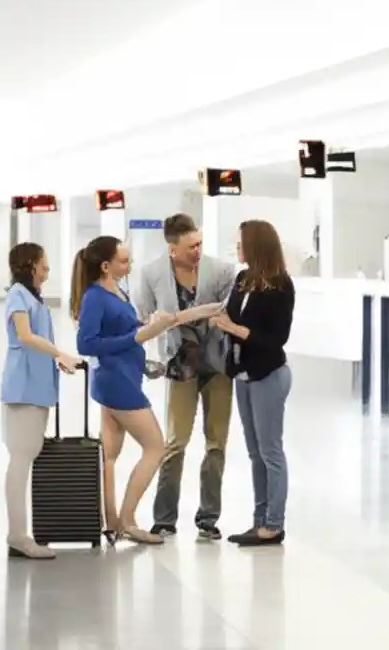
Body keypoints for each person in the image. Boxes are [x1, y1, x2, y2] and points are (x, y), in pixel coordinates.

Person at [72, 236, 216, 545]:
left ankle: (112, 522)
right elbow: (86, 343)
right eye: (124, 261)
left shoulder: (117, 291)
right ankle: (127, 520)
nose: (130, 265)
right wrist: (139, 336)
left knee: (110, 455)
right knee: (155, 447)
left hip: (122, 376)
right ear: (106, 266)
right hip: (117, 384)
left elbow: (125, 331)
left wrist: (146, 338)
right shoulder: (95, 297)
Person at [133, 213, 238, 540]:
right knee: (175, 442)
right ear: (172, 249)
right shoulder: (151, 274)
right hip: (180, 363)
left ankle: (208, 518)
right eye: (191, 246)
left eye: (199, 244)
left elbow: (227, 309)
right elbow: (144, 319)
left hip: (217, 364)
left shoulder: (222, 271)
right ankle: (164, 518)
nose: (197, 251)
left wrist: (175, 317)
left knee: (216, 442)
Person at [211, 220, 295, 547]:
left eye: (241, 242)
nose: (237, 248)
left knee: (270, 451)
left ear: (256, 245)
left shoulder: (281, 285)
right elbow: (229, 315)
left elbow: (275, 339)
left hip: (268, 374)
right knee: (255, 453)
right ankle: (259, 520)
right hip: (243, 375)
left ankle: (274, 524)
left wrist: (233, 329)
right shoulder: (242, 279)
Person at [0, 243, 83, 559]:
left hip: (35, 386)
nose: (47, 271)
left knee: (26, 455)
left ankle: (20, 535)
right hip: (23, 388)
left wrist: (56, 358)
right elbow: (24, 335)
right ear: (30, 265)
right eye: (44, 265)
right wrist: (59, 353)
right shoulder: (17, 295)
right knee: (21, 458)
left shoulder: (32, 297)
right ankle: (18, 536)